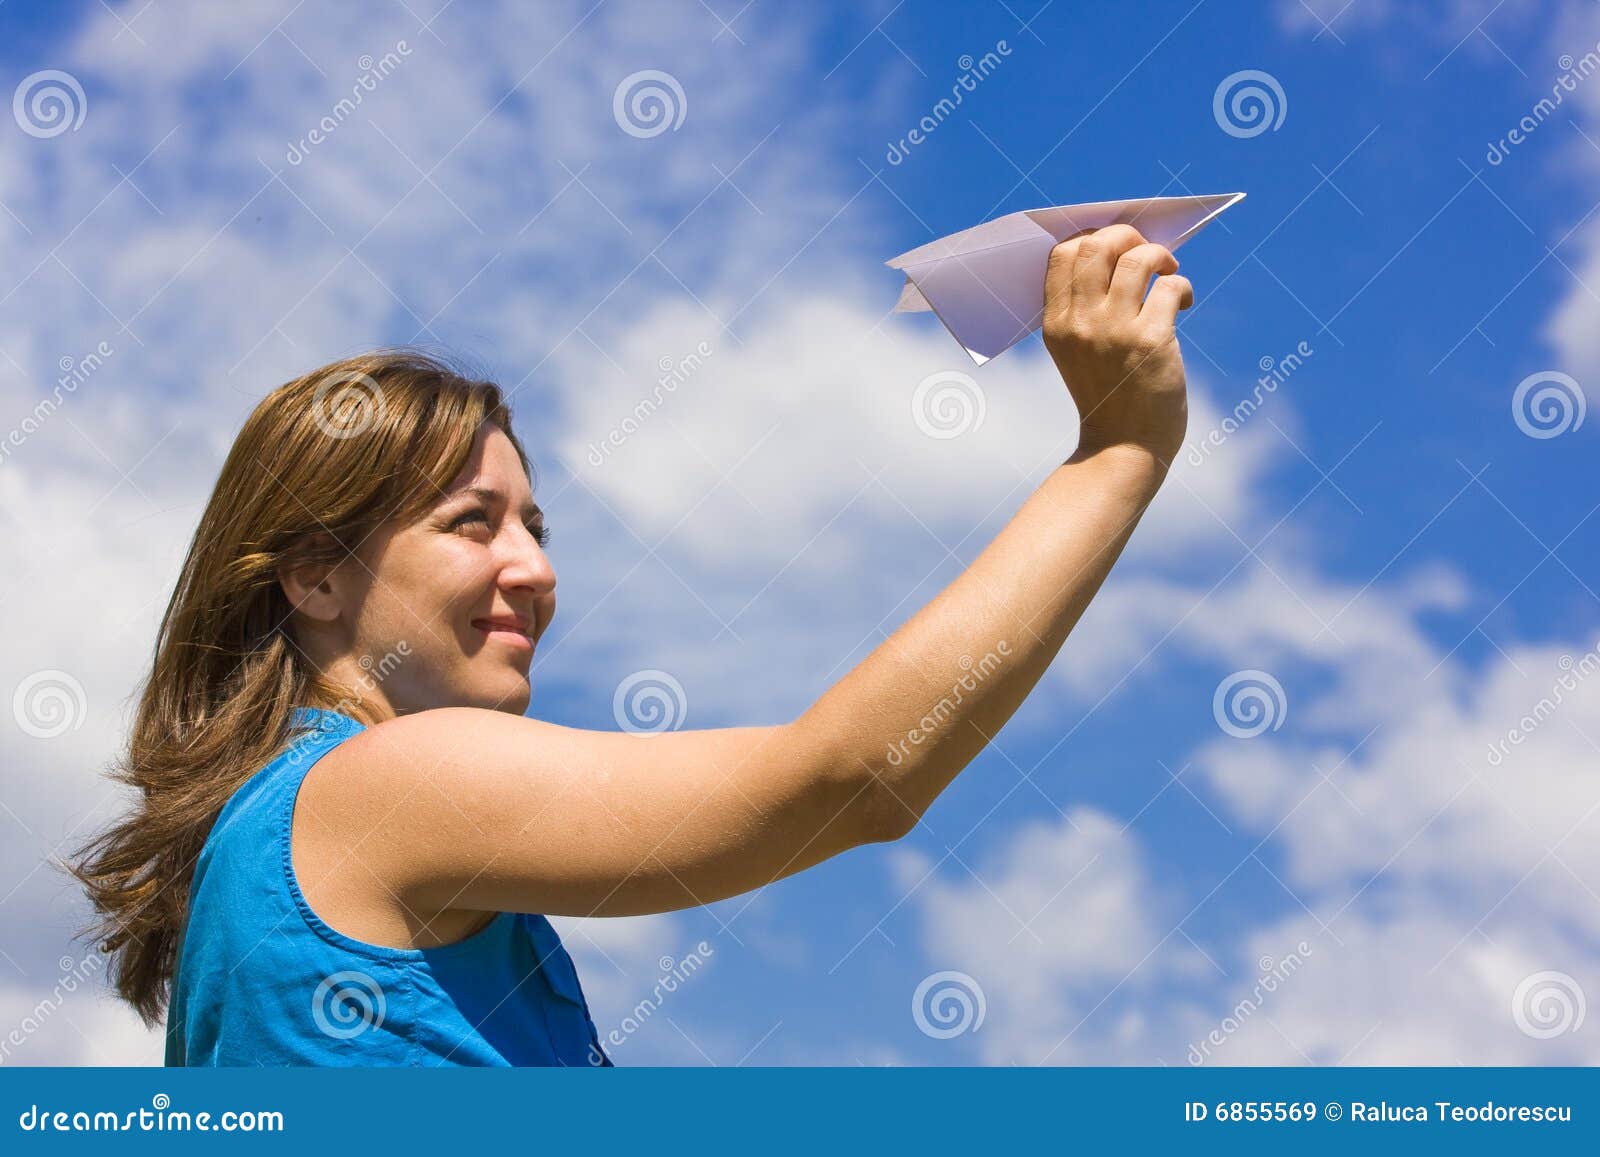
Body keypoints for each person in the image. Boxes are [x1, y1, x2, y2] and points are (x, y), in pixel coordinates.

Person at [68, 224, 1193, 1065]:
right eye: (472, 523)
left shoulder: (264, 840)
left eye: (536, 526)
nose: (537, 568)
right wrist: (1118, 448)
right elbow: (850, 779)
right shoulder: (383, 784)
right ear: (314, 575)